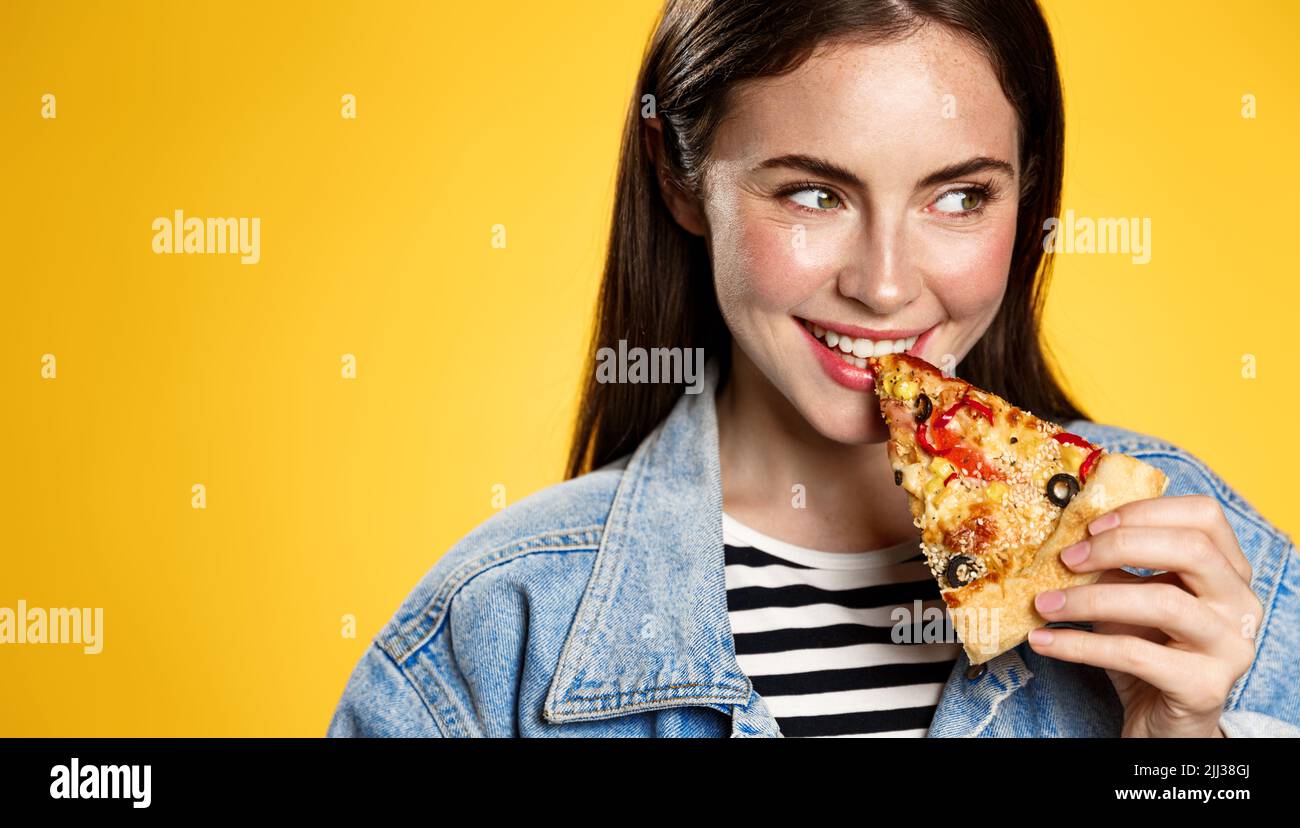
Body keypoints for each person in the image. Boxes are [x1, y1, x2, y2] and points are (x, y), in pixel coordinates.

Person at [327, 0, 1300, 737]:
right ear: (679, 176)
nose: (882, 287)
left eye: (958, 196)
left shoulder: (1202, 573)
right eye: (812, 193)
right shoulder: (496, 633)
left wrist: (1185, 750)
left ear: (1027, 188)